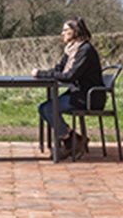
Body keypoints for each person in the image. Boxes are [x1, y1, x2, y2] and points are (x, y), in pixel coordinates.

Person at [34, 17, 105, 159]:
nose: (62, 33)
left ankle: (71, 141)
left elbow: (70, 76)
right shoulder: (71, 50)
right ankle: (73, 140)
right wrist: (44, 73)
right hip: (77, 93)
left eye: (66, 30)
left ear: (75, 31)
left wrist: (41, 74)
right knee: (44, 107)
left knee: (47, 108)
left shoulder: (85, 50)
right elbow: (59, 69)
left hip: (88, 97)